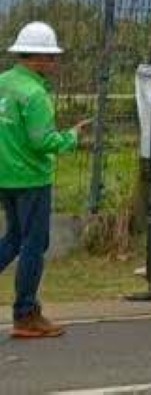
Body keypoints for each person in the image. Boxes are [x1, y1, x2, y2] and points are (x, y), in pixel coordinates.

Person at [0, 21, 90, 340]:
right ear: (35, 57)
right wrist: (71, 137)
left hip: (5, 176)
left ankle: (26, 310)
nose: (53, 63)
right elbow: (43, 141)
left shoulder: (3, 83)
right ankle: (25, 313)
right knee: (34, 245)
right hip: (31, 177)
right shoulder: (35, 94)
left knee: (13, 238)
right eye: (50, 57)